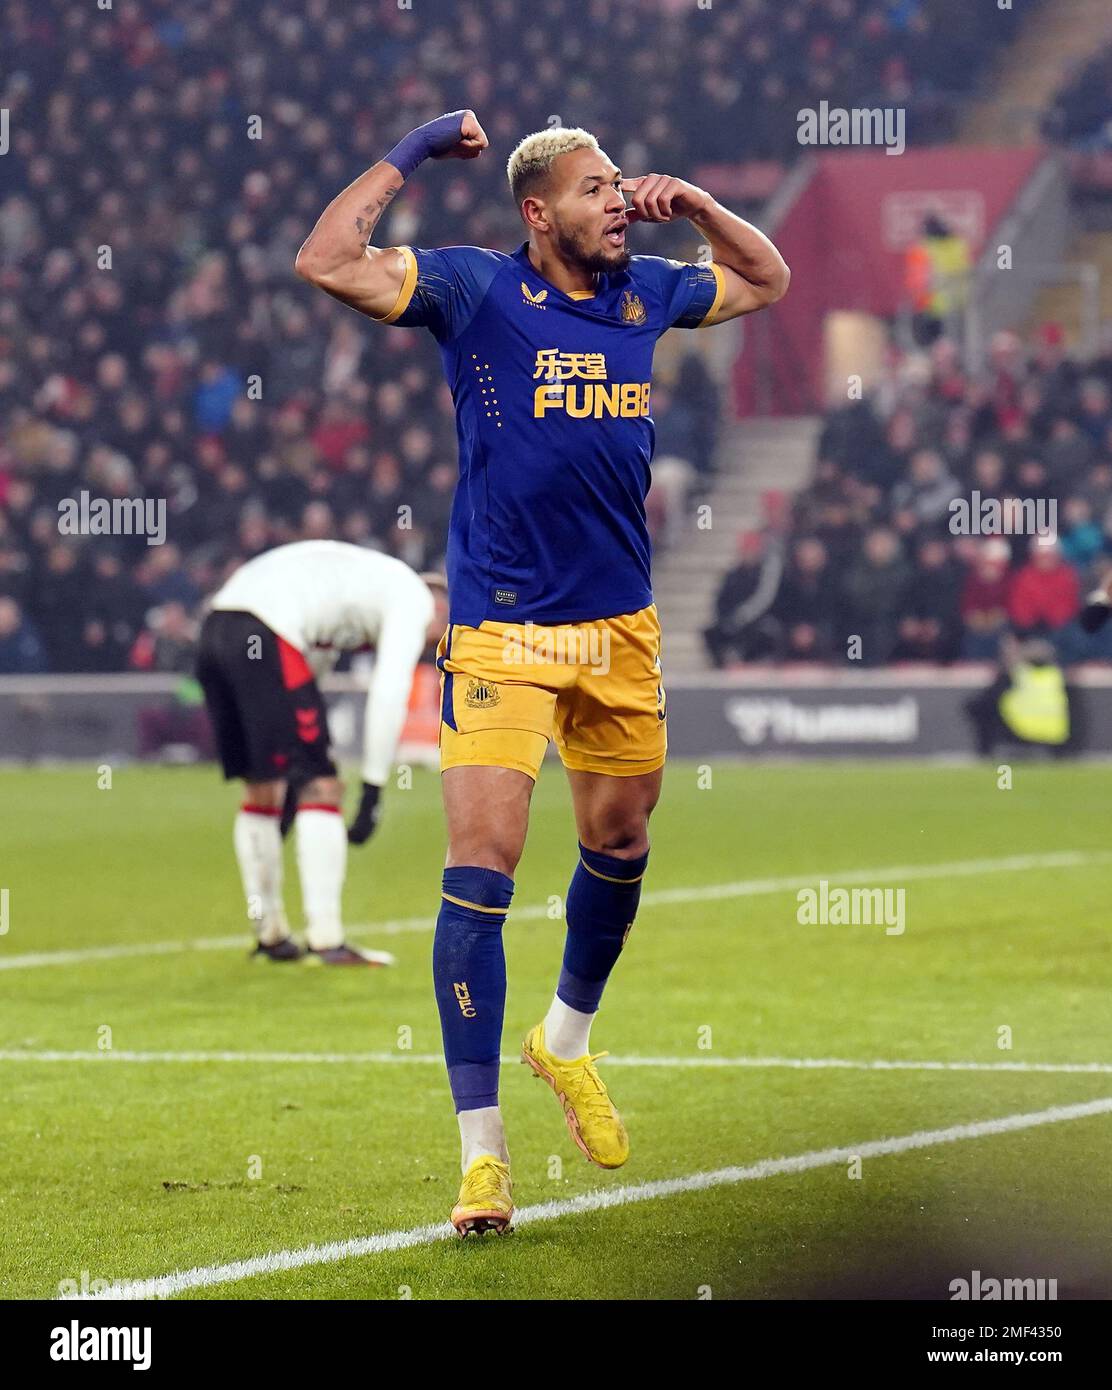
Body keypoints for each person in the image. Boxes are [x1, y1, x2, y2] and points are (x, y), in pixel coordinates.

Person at [295, 110, 789, 1233]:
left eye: (619, 183)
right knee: (482, 865)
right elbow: (325, 260)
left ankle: (562, 1041)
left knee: (618, 843)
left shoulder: (647, 292)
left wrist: (699, 207)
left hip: (620, 632)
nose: (615, 199)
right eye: (592, 188)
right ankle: (482, 1158)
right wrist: (416, 147)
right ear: (537, 212)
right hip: (504, 632)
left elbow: (766, 279)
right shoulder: (473, 292)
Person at [197, 541, 448, 966]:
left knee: (262, 789)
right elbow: (390, 691)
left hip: (216, 630)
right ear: (441, 609)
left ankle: (270, 932)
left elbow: (310, 671)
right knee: (323, 785)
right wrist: (373, 789)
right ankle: (326, 938)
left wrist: (294, 769)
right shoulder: (414, 599)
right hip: (267, 630)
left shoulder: (353, 589)